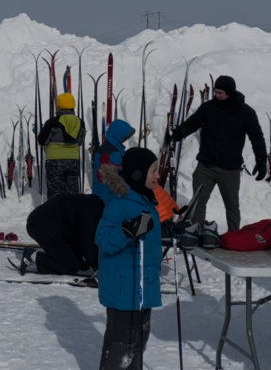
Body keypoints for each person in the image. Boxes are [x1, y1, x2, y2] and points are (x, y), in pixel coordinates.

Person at [169, 75, 267, 233]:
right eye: (215, 92)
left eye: (220, 93)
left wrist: (261, 160)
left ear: (230, 92)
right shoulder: (208, 108)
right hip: (205, 166)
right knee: (198, 203)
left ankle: (233, 236)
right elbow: (192, 123)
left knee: (232, 206)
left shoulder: (245, 112)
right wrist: (176, 134)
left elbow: (256, 137)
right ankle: (197, 234)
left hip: (229, 169)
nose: (216, 95)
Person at [95, 147, 163, 370]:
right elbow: (103, 239)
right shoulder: (120, 204)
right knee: (121, 344)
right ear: (137, 175)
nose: (158, 175)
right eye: (153, 171)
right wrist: (127, 230)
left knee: (139, 339)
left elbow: (149, 232)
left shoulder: (144, 199)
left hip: (142, 286)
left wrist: (170, 230)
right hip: (123, 288)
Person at [19, 193, 103, 277]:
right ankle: (33, 256)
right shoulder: (94, 214)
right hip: (42, 227)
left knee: (79, 263)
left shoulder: (96, 203)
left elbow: (80, 234)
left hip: (49, 222)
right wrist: (97, 265)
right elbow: (87, 243)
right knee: (71, 267)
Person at [37, 93, 87, 200]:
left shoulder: (52, 122)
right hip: (73, 160)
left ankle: (57, 211)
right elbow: (80, 142)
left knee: (55, 195)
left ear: (58, 106)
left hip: (54, 160)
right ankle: (72, 210)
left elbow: (42, 141)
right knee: (72, 194)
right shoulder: (80, 122)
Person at [92, 119, 136, 205]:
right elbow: (114, 176)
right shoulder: (114, 152)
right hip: (109, 195)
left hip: (99, 191)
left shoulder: (104, 148)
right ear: (119, 135)